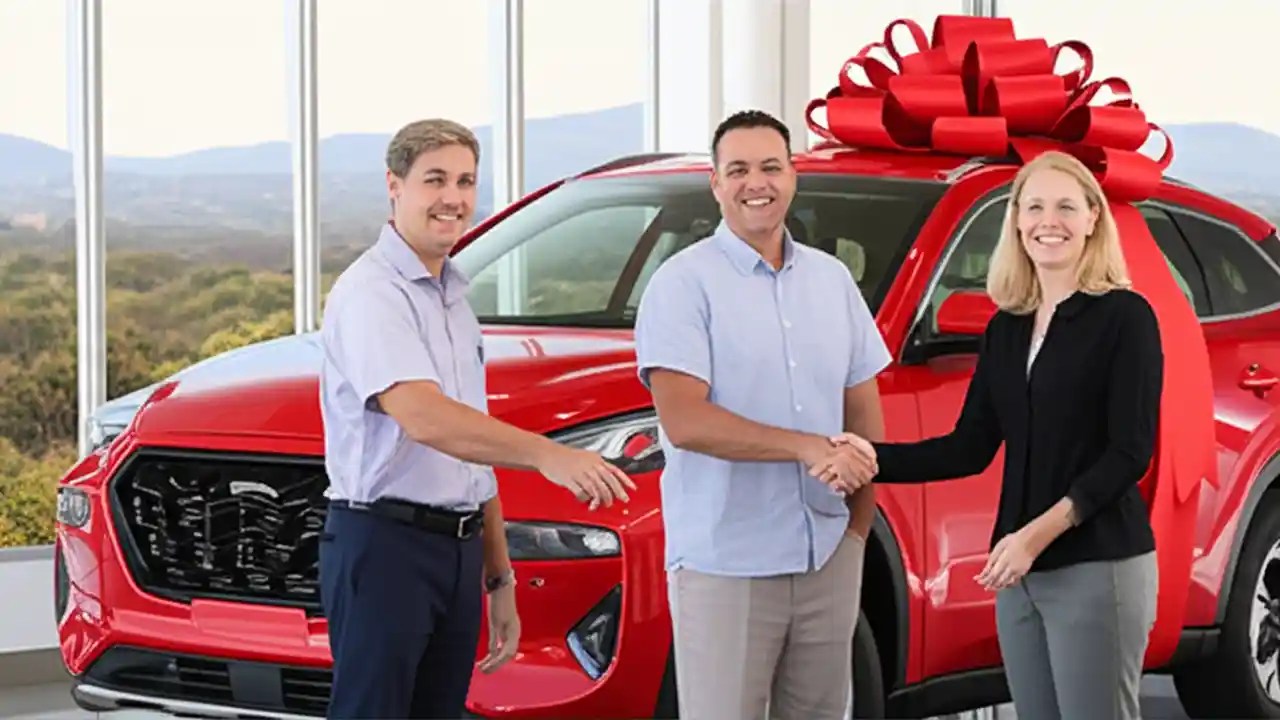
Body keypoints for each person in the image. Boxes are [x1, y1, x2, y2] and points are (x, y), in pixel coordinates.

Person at [317, 118, 637, 720]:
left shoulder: (454, 300)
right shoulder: (372, 294)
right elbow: (425, 417)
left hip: (456, 552)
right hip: (385, 548)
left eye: (465, 181)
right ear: (394, 185)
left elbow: (471, 446)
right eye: (434, 179)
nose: (453, 198)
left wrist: (498, 576)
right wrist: (551, 455)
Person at [830, 149, 1162, 720]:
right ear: (1016, 222)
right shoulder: (1007, 328)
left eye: (1064, 206)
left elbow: (1129, 452)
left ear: (1092, 219)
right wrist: (869, 458)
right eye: (1033, 207)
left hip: (1096, 566)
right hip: (1018, 573)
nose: (1047, 221)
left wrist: (1036, 535)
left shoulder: (1126, 318)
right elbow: (970, 445)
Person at [634, 109, 887, 720]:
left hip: (826, 553)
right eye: (739, 169)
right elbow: (686, 421)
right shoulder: (682, 285)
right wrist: (805, 448)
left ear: (794, 176)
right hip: (728, 566)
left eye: (771, 167)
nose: (757, 183)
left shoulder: (832, 282)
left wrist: (856, 530)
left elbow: (864, 416)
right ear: (716, 184)